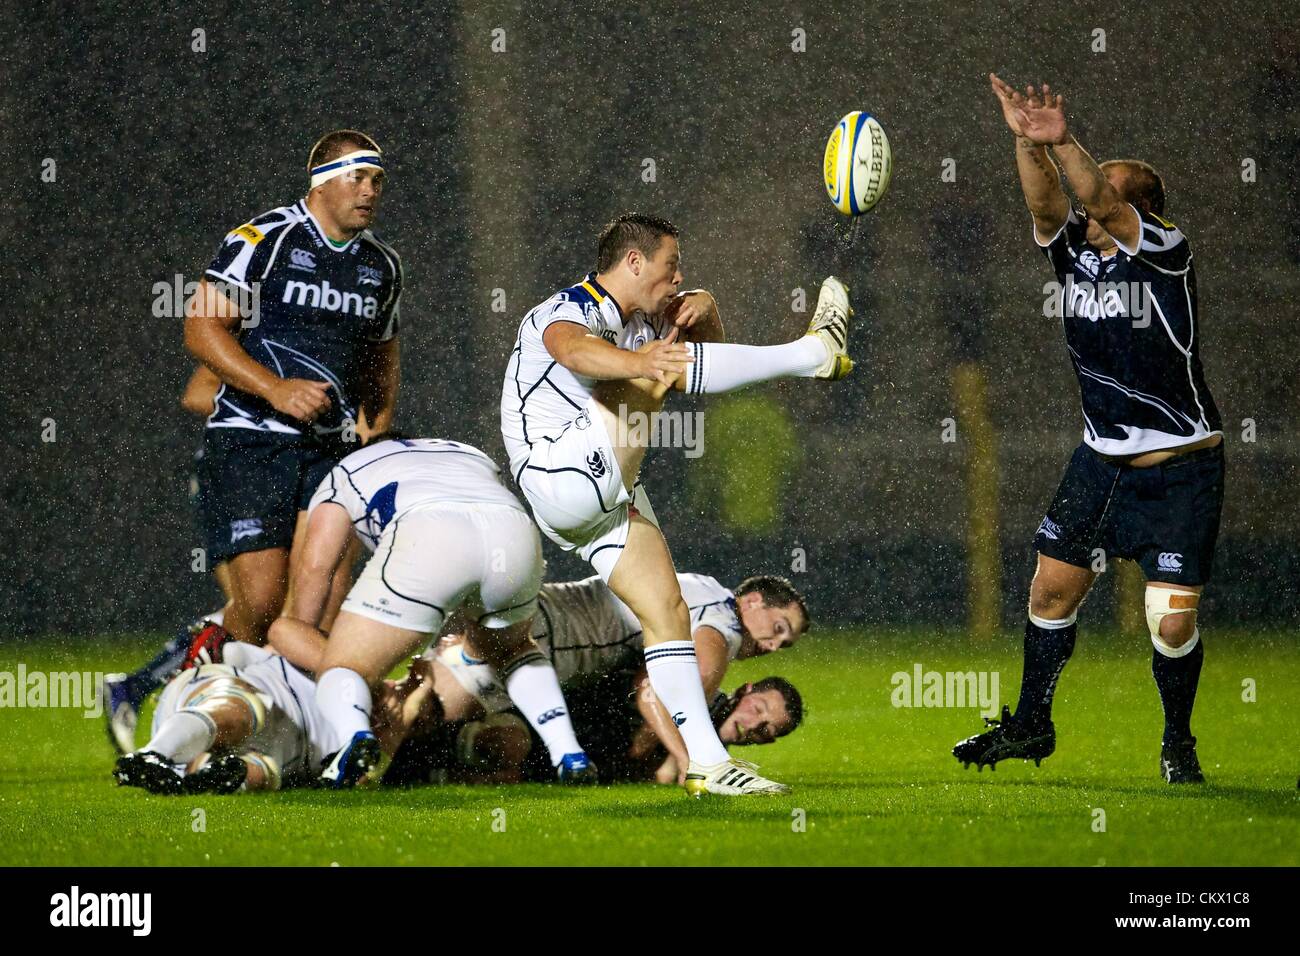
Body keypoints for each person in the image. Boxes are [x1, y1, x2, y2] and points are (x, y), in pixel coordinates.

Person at [501, 212, 853, 796]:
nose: (679, 275)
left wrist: (707, 315)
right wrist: (644, 365)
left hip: (607, 497)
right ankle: (810, 353)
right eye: (671, 265)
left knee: (668, 614)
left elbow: (705, 370)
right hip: (556, 473)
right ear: (634, 261)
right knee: (654, 370)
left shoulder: (645, 324)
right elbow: (571, 350)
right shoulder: (567, 310)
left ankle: (708, 765)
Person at [953, 77, 1224, 784]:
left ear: (1143, 212)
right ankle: (1031, 724)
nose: (1089, 199)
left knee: (1169, 624)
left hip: (1178, 470)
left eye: (1107, 192)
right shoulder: (1077, 250)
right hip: (1100, 464)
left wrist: (1062, 139)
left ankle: (1178, 742)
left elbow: (1096, 197)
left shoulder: (1165, 251)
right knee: (1049, 593)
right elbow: (1049, 203)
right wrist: (1024, 139)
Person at [183, 128, 402, 661]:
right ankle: (197, 671)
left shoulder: (383, 266)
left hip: (330, 452)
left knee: (318, 607)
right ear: (322, 182)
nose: (370, 190)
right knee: (260, 604)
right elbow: (199, 327)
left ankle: (298, 730)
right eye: (358, 177)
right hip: (251, 439)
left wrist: (379, 425)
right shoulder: (264, 239)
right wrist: (274, 388)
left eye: (377, 180)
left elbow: (383, 355)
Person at [267, 435, 597, 786]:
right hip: (514, 530)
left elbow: (316, 569)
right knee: (514, 649)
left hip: (428, 531)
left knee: (345, 667)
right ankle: (568, 753)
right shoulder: (465, 449)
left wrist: (319, 642)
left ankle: (354, 738)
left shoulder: (345, 470)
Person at [435, 571, 808, 781]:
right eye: (778, 628)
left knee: (445, 718)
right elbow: (653, 691)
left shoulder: (703, 592)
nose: (775, 645)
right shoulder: (723, 627)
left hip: (535, 615)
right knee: (432, 711)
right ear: (753, 601)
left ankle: (423, 762)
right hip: (546, 636)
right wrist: (690, 761)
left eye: (785, 642)